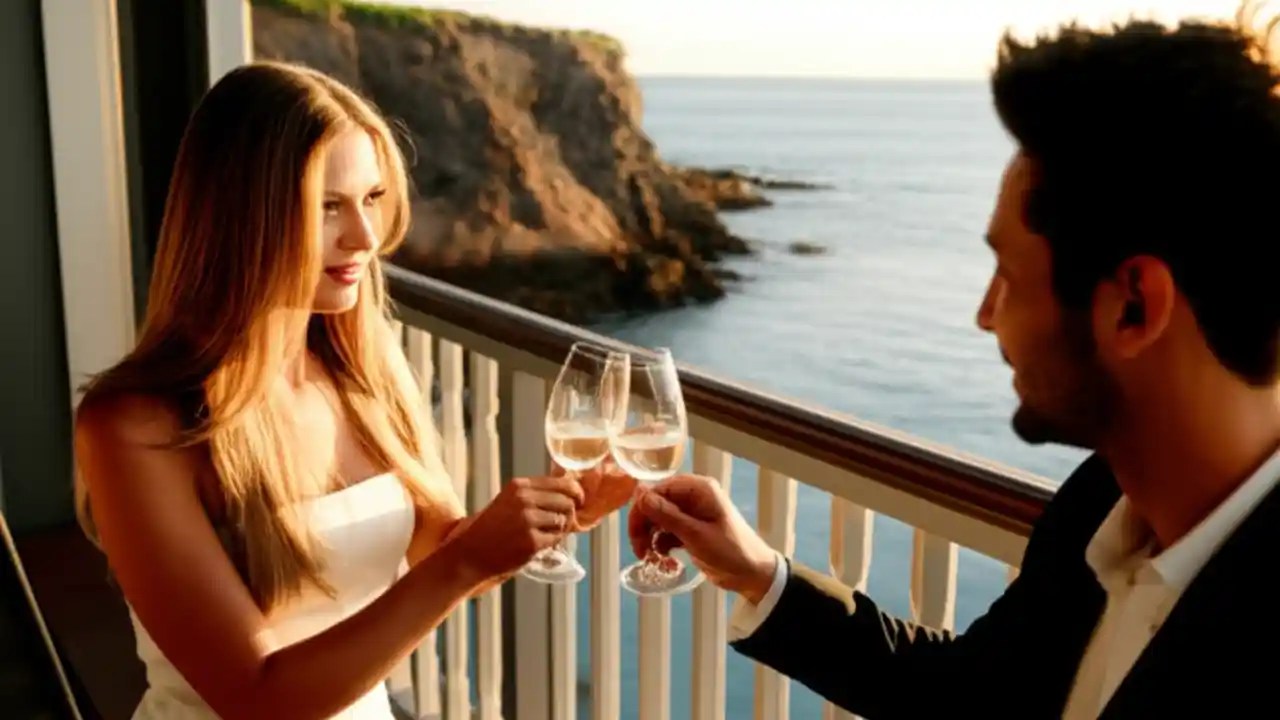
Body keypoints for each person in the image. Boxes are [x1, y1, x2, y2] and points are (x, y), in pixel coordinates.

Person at [629, 6, 1280, 719]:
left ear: (1133, 307)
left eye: (1007, 275)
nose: (984, 313)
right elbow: (973, 693)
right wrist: (759, 574)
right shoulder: (1106, 501)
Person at [72, 61, 624, 719]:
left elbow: (440, 556)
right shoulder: (134, 428)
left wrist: (554, 517)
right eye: (326, 206)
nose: (365, 238)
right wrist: (466, 563)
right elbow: (258, 699)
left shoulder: (365, 370)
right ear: (240, 216)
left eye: (371, 199)